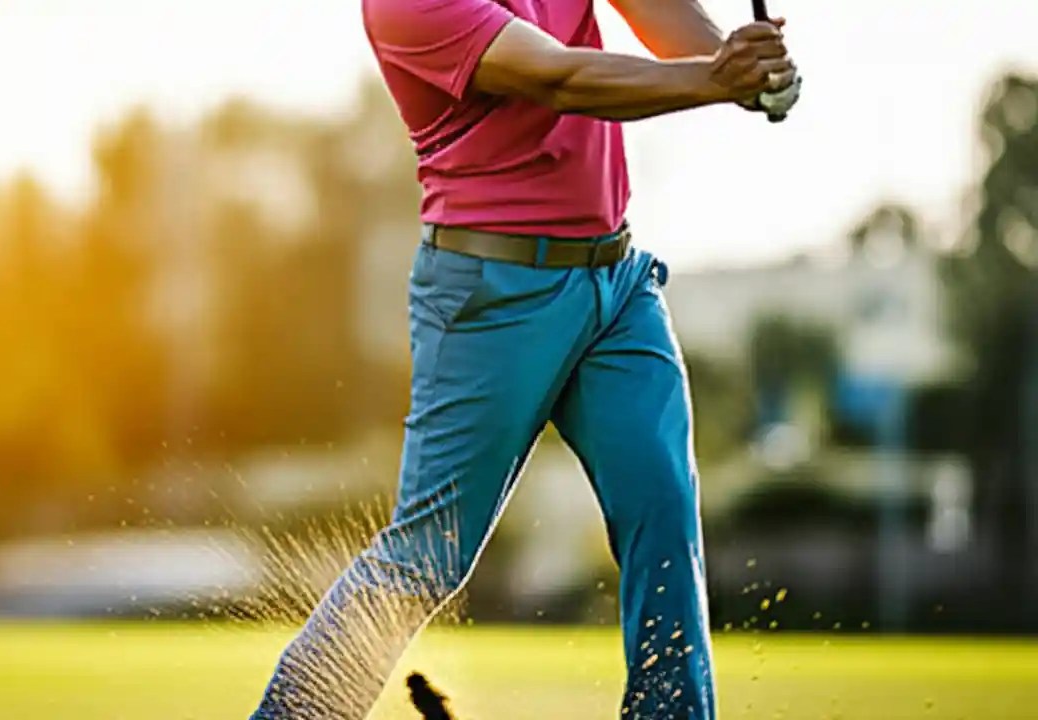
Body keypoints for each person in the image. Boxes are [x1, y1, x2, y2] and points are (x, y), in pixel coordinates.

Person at [251, 1, 800, 718]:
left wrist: (741, 58)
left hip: (617, 282)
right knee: (428, 557)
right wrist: (718, 80)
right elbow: (559, 76)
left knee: (663, 513)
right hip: (492, 298)